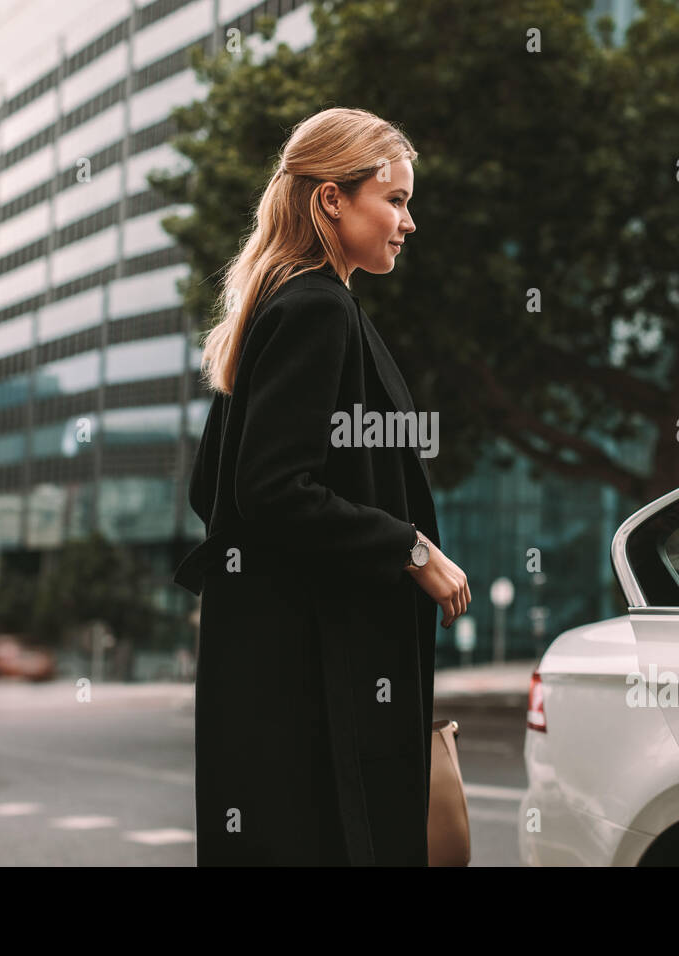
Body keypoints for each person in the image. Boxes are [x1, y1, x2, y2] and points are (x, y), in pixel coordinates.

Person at [172, 107, 471, 865]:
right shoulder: (316, 309)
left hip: (282, 668)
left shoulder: (281, 304)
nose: (409, 222)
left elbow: (216, 490)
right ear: (331, 200)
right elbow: (269, 488)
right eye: (394, 199)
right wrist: (408, 548)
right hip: (319, 677)